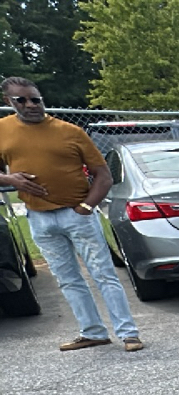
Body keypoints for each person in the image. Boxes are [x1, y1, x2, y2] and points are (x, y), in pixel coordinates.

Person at [0, 76, 143, 351]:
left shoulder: (70, 131)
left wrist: (85, 207)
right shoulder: (3, 130)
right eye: (22, 100)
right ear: (9, 102)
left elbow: (104, 176)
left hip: (77, 214)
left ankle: (128, 333)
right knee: (67, 279)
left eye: (35, 99)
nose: (31, 105)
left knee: (103, 274)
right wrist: (11, 180)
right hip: (38, 218)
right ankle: (92, 331)